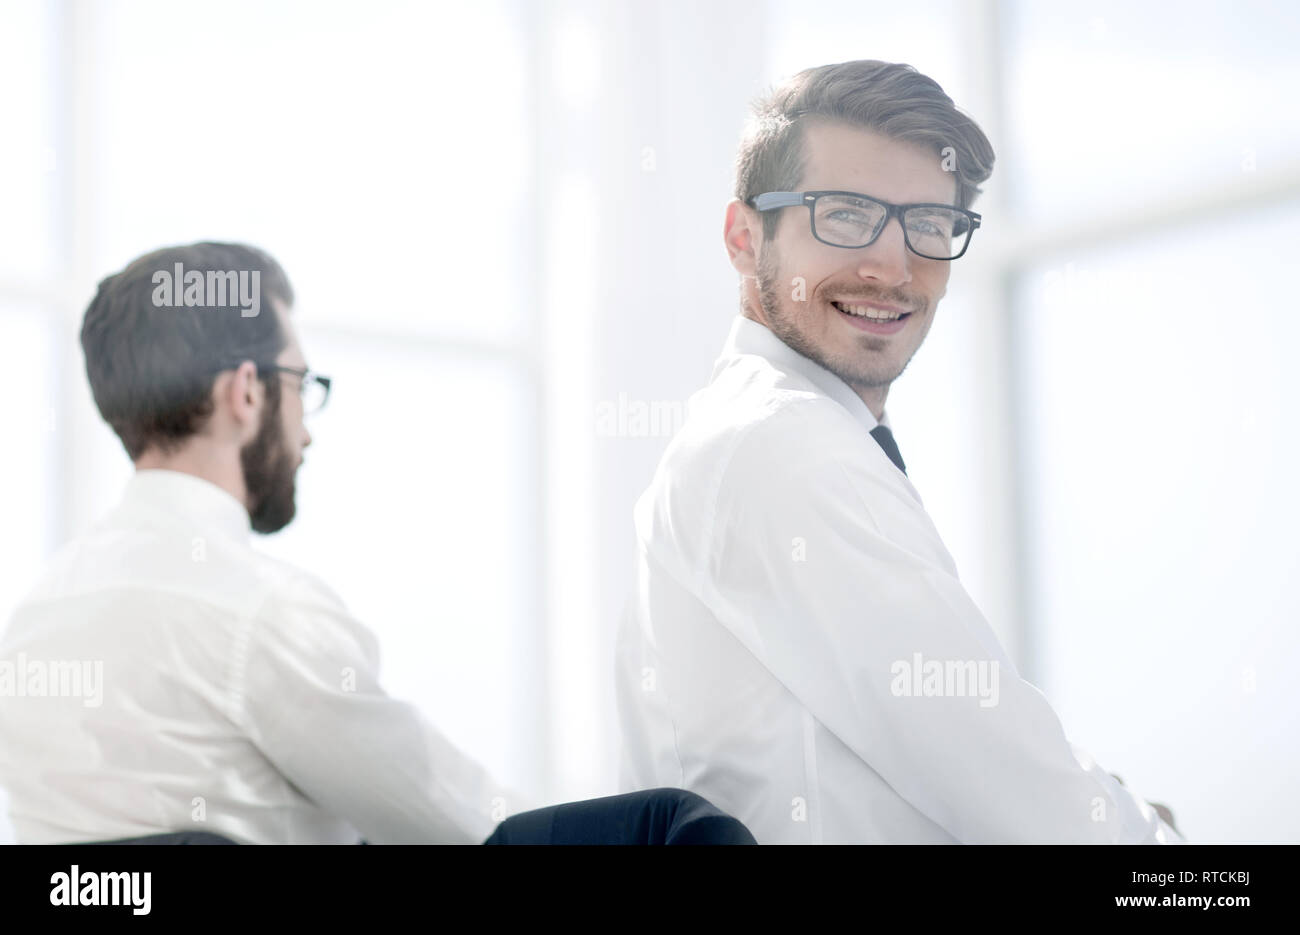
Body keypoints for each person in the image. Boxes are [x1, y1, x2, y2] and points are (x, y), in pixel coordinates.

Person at [0, 241, 755, 846]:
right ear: (246, 392)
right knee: (674, 827)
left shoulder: (34, 618)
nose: (306, 427)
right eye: (302, 383)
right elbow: (460, 823)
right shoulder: (260, 613)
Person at [614, 60, 1183, 844]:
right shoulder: (782, 446)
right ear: (746, 238)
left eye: (926, 224)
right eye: (845, 215)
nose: (892, 266)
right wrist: (1180, 860)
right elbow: (1027, 797)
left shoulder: (768, 437)